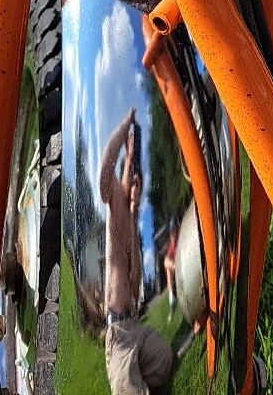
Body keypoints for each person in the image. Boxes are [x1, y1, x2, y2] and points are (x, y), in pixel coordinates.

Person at [99, 108, 174, 395]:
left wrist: (134, 209)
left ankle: (137, 378)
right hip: (118, 334)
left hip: (134, 326)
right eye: (130, 167)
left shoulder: (128, 213)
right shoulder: (114, 199)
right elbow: (105, 173)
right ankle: (130, 381)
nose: (134, 175)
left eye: (136, 170)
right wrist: (123, 129)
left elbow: (134, 275)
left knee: (164, 360)